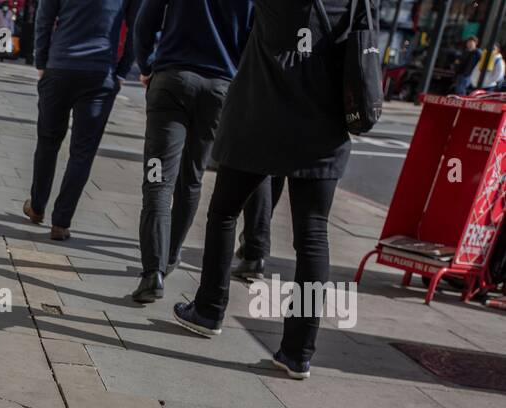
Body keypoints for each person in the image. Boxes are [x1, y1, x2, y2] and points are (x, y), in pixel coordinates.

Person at [171, 0, 368, 380]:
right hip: (322, 131)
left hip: (260, 119)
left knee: (224, 212)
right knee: (312, 236)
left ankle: (209, 309)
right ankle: (298, 352)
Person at [130, 0, 255, 303]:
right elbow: (255, 43)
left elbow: (144, 23)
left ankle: (152, 272)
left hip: (172, 81)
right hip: (220, 91)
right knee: (192, 178)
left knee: (158, 179)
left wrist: (146, 66)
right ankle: (171, 257)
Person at [24, 0, 142, 241]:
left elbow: (44, 18)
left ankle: (37, 206)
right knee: (83, 151)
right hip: (100, 73)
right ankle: (61, 222)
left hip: (60, 66)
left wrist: (42, 62)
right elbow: (137, 27)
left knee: (48, 141)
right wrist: (121, 71)